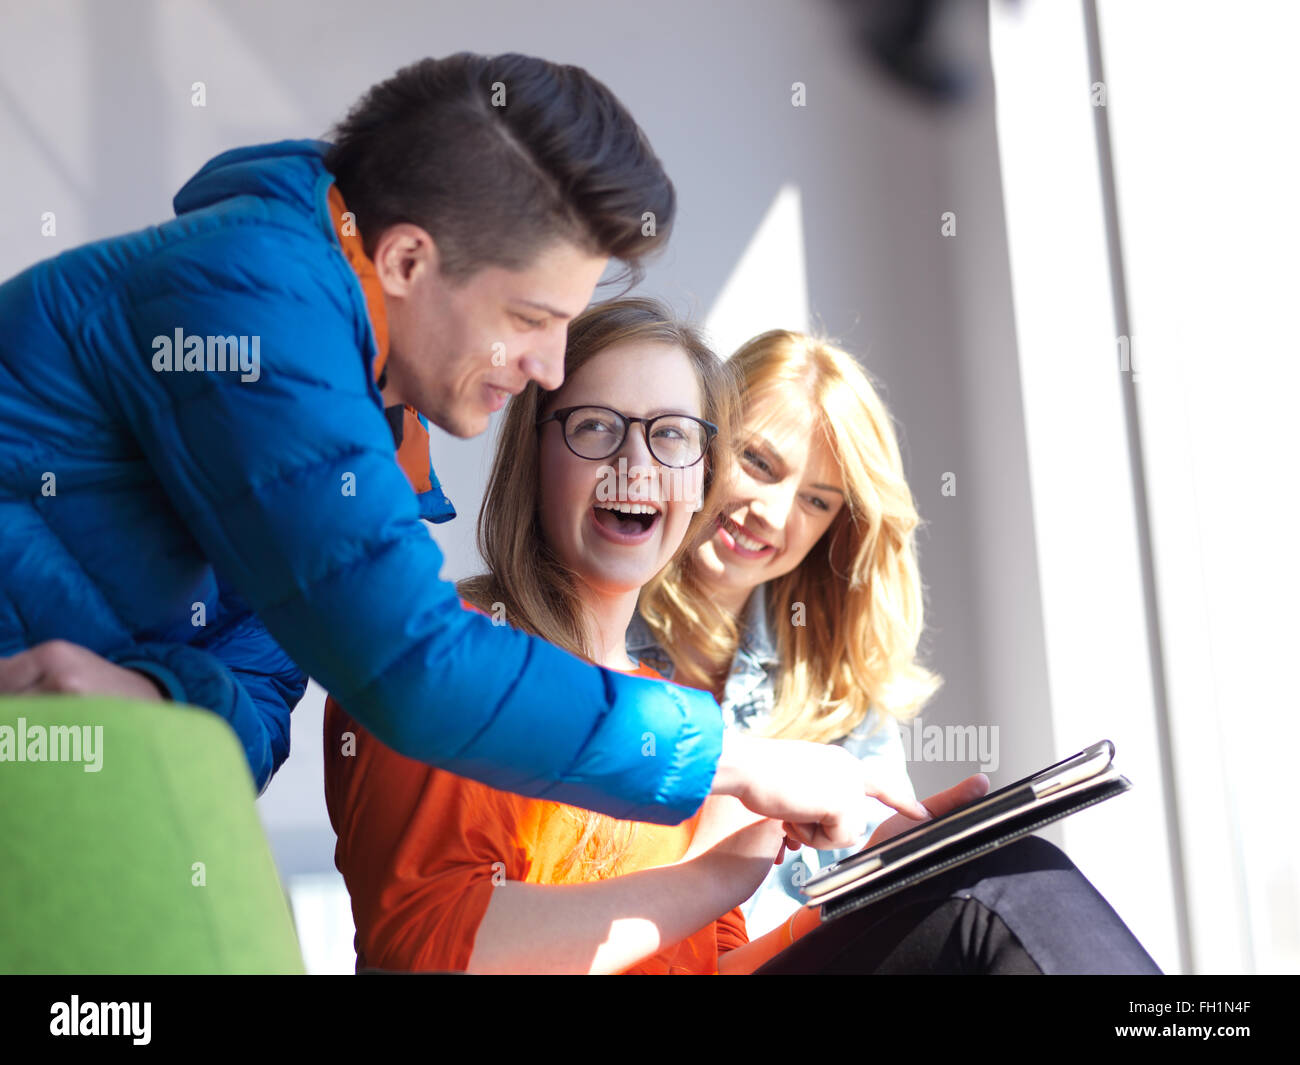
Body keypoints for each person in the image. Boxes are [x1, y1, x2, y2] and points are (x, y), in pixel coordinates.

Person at [0, 53, 892, 842]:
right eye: (532, 320)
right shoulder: (255, 296)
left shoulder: (373, 417)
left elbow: (265, 684)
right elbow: (414, 670)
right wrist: (736, 760)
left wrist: (163, 703)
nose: (550, 369)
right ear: (405, 262)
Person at [325, 300, 1161, 975]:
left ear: (696, 477)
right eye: (596, 427)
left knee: (997, 882)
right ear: (533, 451)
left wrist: (890, 886)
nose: (638, 462)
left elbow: (718, 966)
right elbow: (426, 951)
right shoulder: (446, 658)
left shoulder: (681, 713)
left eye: (672, 436)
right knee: (996, 904)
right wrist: (724, 868)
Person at [628, 330, 1162, 972]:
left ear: (835, 528)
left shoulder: (830, 684)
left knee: (1005, 872)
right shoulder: (586, 638)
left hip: (790, 953)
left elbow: (845, 897)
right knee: (1003, 887)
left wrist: (896, 854)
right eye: (759, 463)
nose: (772, 513)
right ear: (699, 438)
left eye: (816, 501)